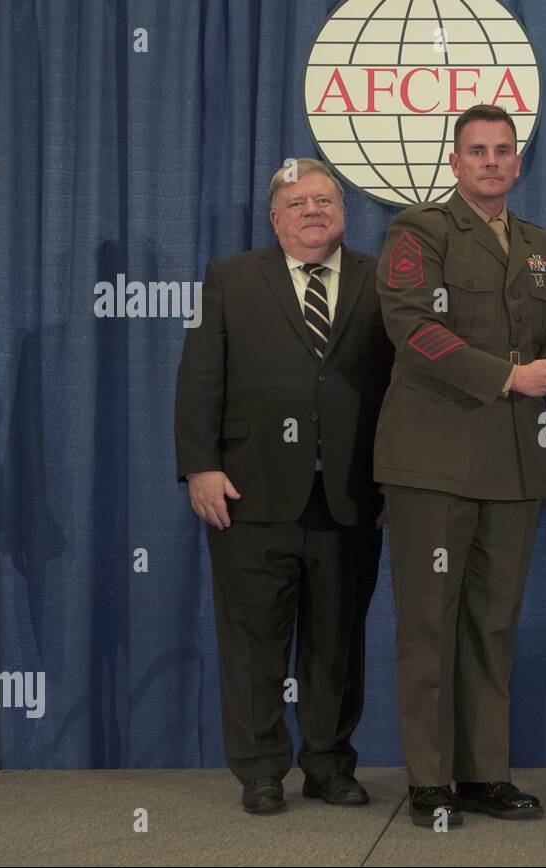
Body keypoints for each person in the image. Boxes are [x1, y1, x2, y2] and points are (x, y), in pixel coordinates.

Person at [373, 104, 546, 827]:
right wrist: (507, 377)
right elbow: (411, 327)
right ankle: (430, 780)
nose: (492, 161)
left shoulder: (540, 243)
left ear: (517, 163)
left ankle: (483, 772)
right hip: (434, 459)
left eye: (503, 151)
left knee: (494, 624)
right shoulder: (419, 229)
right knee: (429, 624)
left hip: (516, 462)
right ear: (456, 162)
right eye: (478, 151)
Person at [175, 158, 394, 814]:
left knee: (338, 641)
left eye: (324, 200)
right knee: (253, 643)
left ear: (343, 212)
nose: (311, 211)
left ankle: (328, 764)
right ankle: (261, 770)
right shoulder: (230, 278)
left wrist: (393, 479)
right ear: (275, 218)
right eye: (296, 203)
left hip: (351, 496)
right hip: (251, 493)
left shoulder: (379, 280)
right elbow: (199, 378)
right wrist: (200, 465)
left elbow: (395, 387)